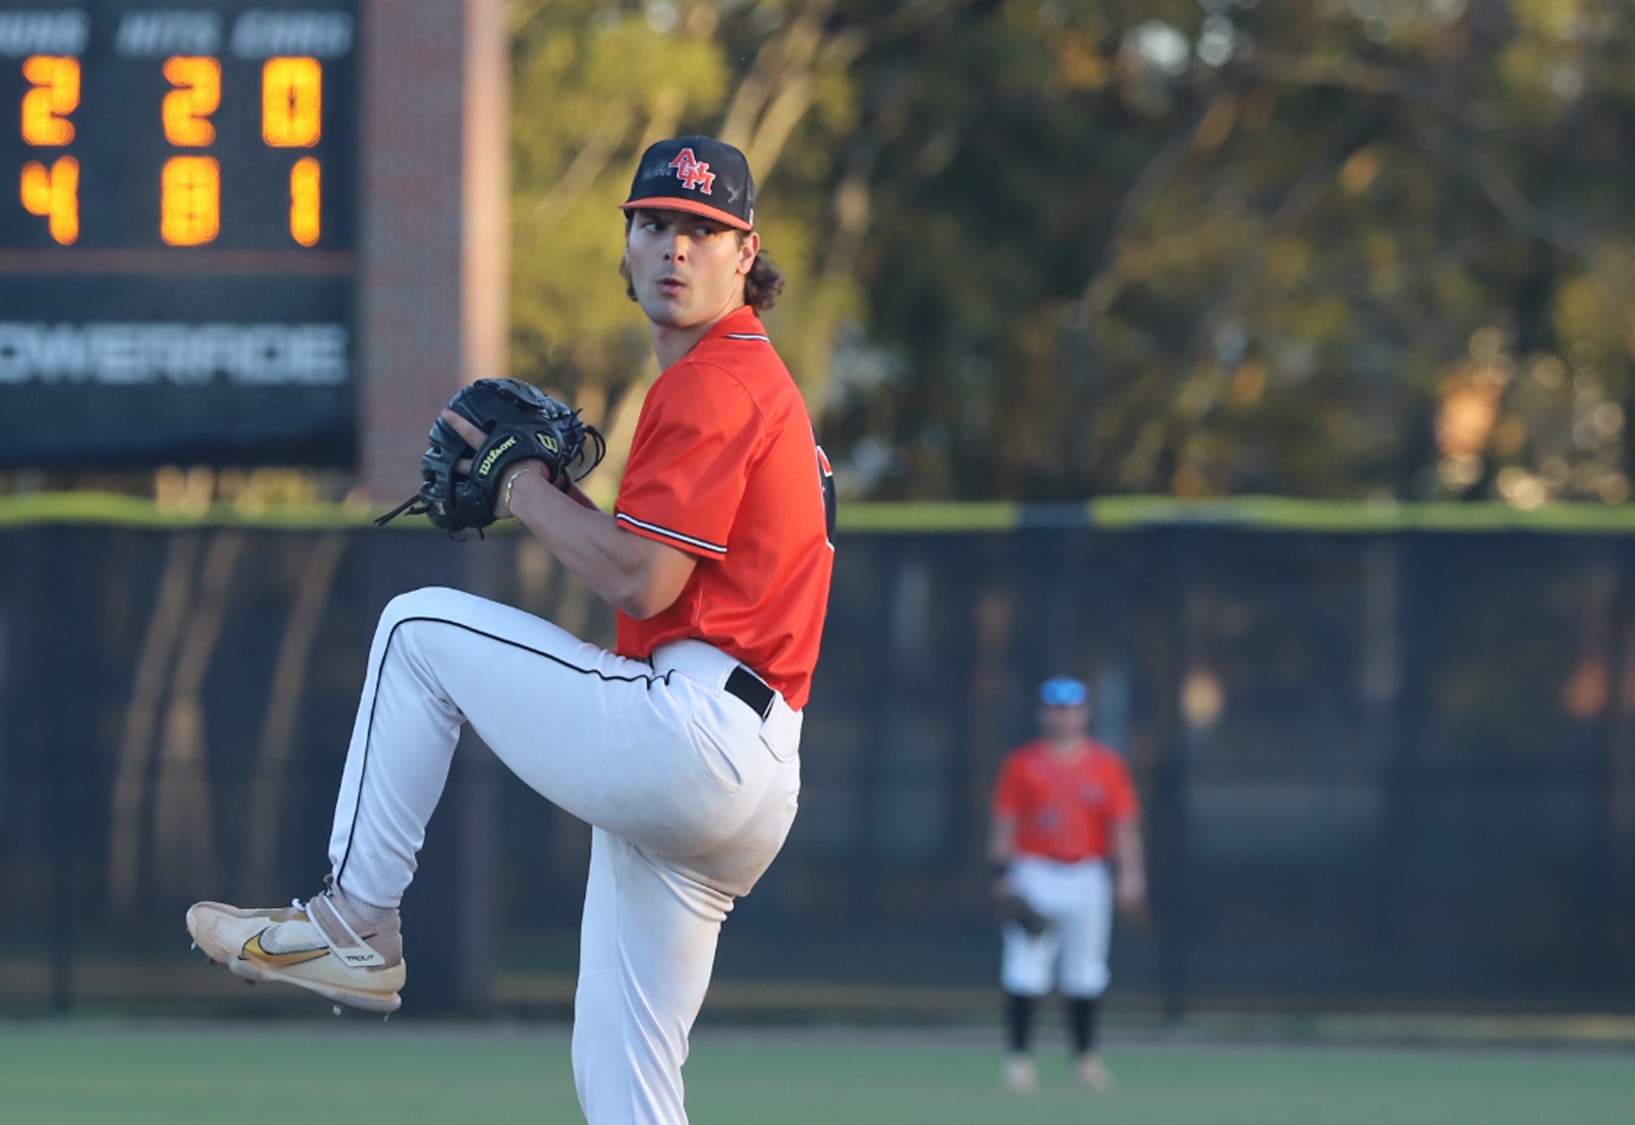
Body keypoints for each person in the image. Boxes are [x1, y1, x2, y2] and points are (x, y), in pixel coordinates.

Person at [187, 134, 835, 1125]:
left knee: (415, 631)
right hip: (748, 774)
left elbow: (642, 577)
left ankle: (356, 921)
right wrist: (552, 497)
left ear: (744, 255)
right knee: (623, 1085)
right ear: (625, 243)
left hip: (692, 735)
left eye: (702, 232)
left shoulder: (714, 379)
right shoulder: (755, 384)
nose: (673, 249)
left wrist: (523, 485)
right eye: (655, 224)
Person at [988, 676, 1146, 1094]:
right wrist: (1001, 875)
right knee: (1025, 969)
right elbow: (1005, 822)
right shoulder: (1022, 763)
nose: (1063, 716)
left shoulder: (1106, 764)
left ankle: (1085, 1061)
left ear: (1085, 713)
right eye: (1055, 708)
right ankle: (1019, 1062)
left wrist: (1131, 873)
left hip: (1088, 874)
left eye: (1071, 708)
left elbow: (1123, 824)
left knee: (1086, 972)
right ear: (1043, 713)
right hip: (1034, 872)